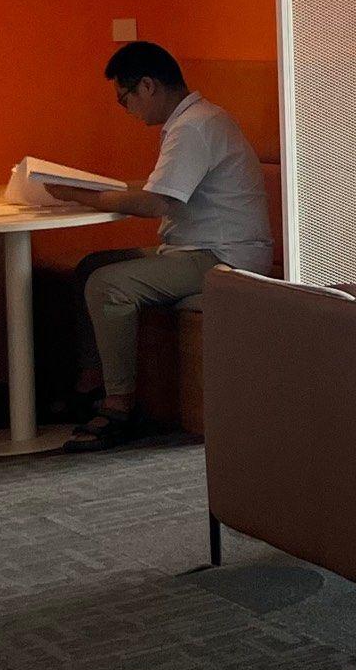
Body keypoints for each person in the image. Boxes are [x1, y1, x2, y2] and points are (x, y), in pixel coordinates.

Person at [45, 41, 274, 451]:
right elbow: (158, 190)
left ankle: (119, 405)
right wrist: (89, 190)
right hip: (196, 249)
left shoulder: (194, 128)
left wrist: (79, 196)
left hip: (223, 257)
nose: (125, 109)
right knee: (90, 266)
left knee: (107, 285)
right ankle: (92, 381)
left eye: (124, 98)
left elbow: (156, 203)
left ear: (147, 86)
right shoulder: (193, 121)